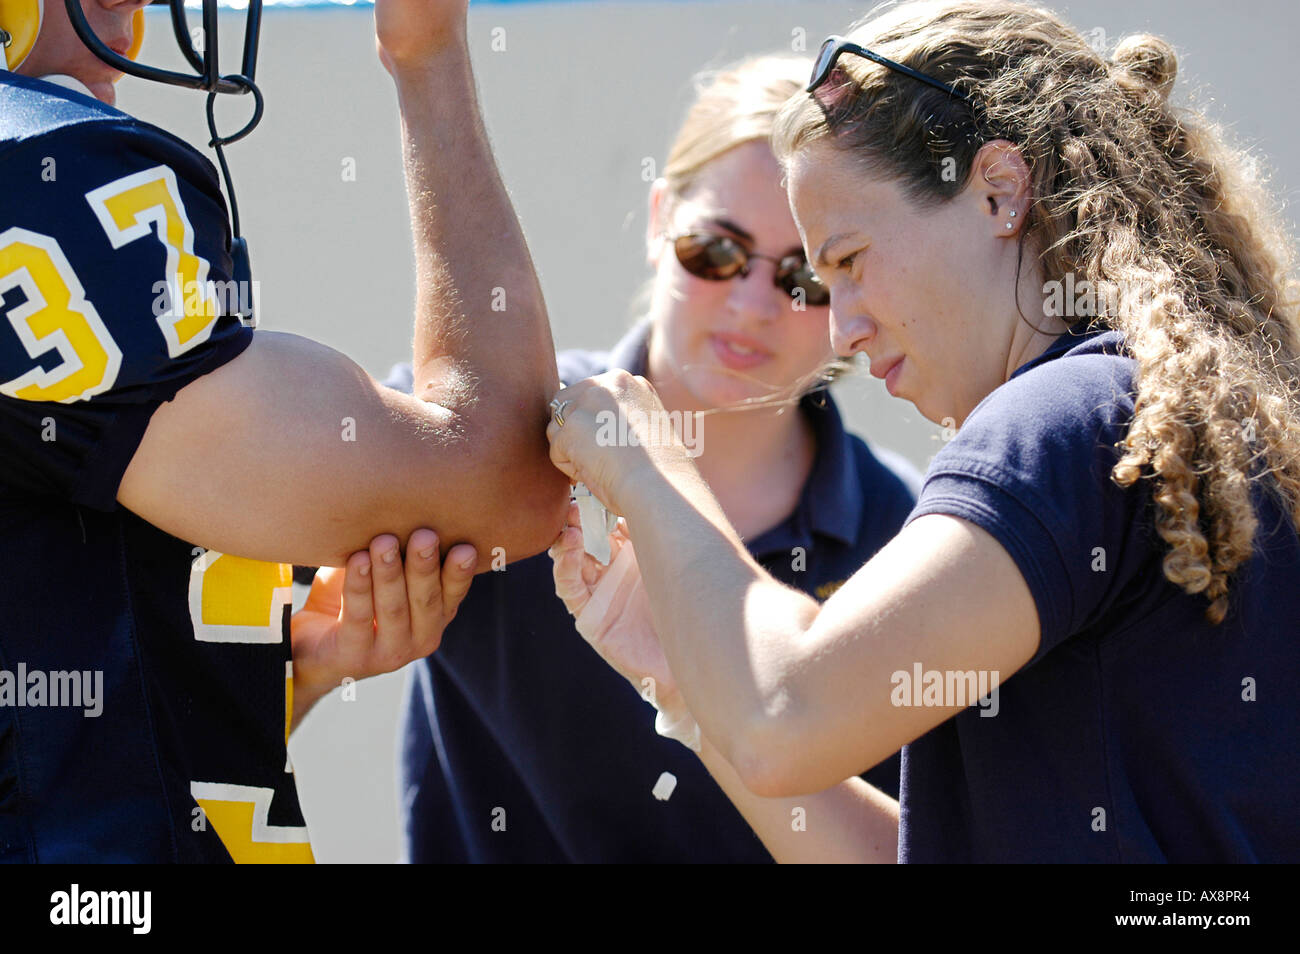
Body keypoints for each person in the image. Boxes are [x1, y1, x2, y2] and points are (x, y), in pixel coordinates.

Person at [546, 0, 1300, 862]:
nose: (844, 331)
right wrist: (691, 684)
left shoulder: (1061, 423)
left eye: (847, 262)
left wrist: (647, 470)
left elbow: (784, 715)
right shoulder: (1163, 411)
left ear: (998, 191)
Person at [0, 0, 568, 861]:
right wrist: (429, 53)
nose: (134, 9)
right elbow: (501, 475)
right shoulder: (45, 171)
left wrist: (301, 667)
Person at [391, 55, 922, 863]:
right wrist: (324, 666)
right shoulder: (492, 429)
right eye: (715, 251)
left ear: (854, 289)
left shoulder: (914, 539)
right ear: (657, 218)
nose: (749, 304)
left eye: (804, 278)